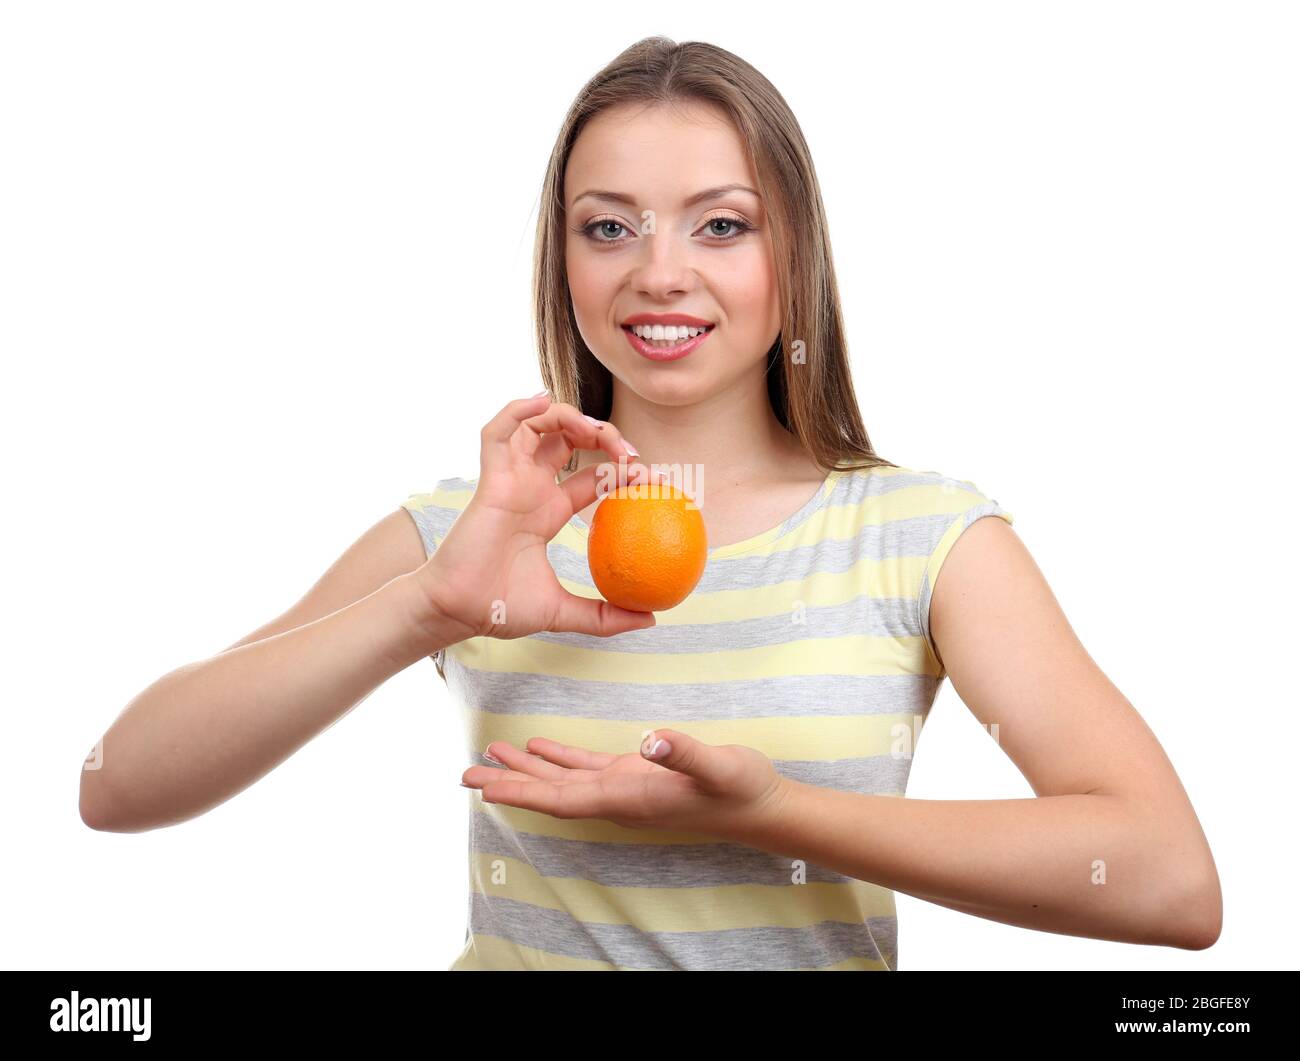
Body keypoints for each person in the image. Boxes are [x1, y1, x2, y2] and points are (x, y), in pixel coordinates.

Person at [81, 36, 1221, 970]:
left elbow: (1167, 879)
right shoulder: (472, 532)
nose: (657, 271)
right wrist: (430, 608)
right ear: (561, 257)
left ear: (794, 258)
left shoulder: (920, 539)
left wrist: (765, 810)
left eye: (720, 223)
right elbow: (119, 784)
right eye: (607, 225)